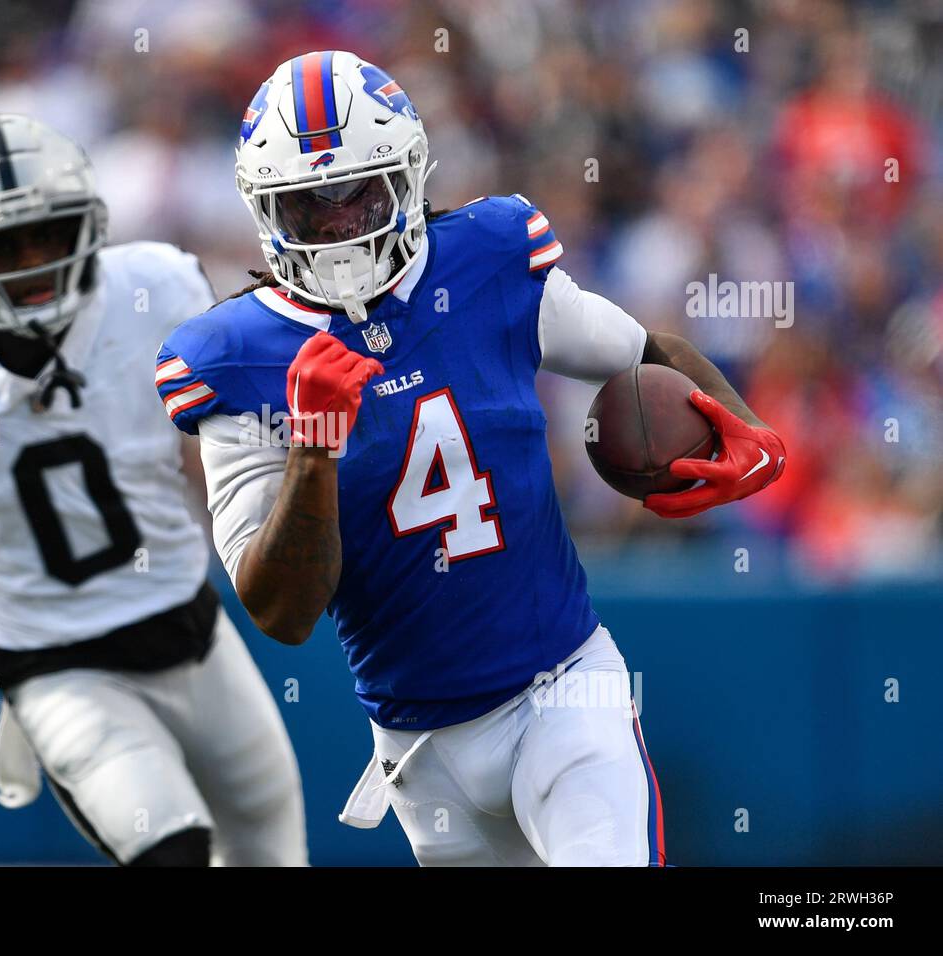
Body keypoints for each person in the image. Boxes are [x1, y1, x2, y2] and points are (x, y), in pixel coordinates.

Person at [156, 52, 785, 866]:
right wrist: (312, 451)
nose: (343, 224)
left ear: (409, 175)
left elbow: (643, 350)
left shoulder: (483, 261)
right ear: (266, 210)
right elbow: (282, 612)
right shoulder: (235, 357)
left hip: (564, 692)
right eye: (312, 207)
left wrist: (751, 436)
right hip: (422, 756)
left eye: (361, 194)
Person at [0, 114, 306, 867]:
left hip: (199, 641)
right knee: (174, 852)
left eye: (47, 233)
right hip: (61, 673)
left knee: (274, 857)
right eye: (0, 244)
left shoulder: (158, 291)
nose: (30, 262)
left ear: (89, 225)